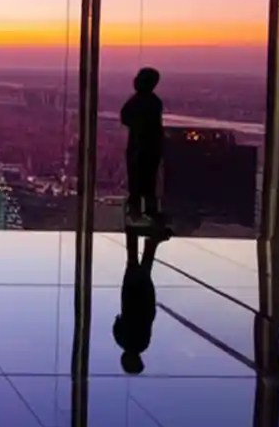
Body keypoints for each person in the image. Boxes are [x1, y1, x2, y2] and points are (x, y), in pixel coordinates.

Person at [113, 230, 163, 374]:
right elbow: (118, 322)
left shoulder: (143, 345)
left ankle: (151, 241)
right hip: (130, 301)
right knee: (132, 263)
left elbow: (148, 321)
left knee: (145, 269)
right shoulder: (121, 341)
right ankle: (133, 234)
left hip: (144, 302)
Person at [120, 67, 164, 227]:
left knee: (139, 183)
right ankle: (145, 214)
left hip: (141, 148)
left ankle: (137, 214)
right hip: (148, 148)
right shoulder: (152, 101)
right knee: (146, 184)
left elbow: (125, 116)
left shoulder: (141, 101)